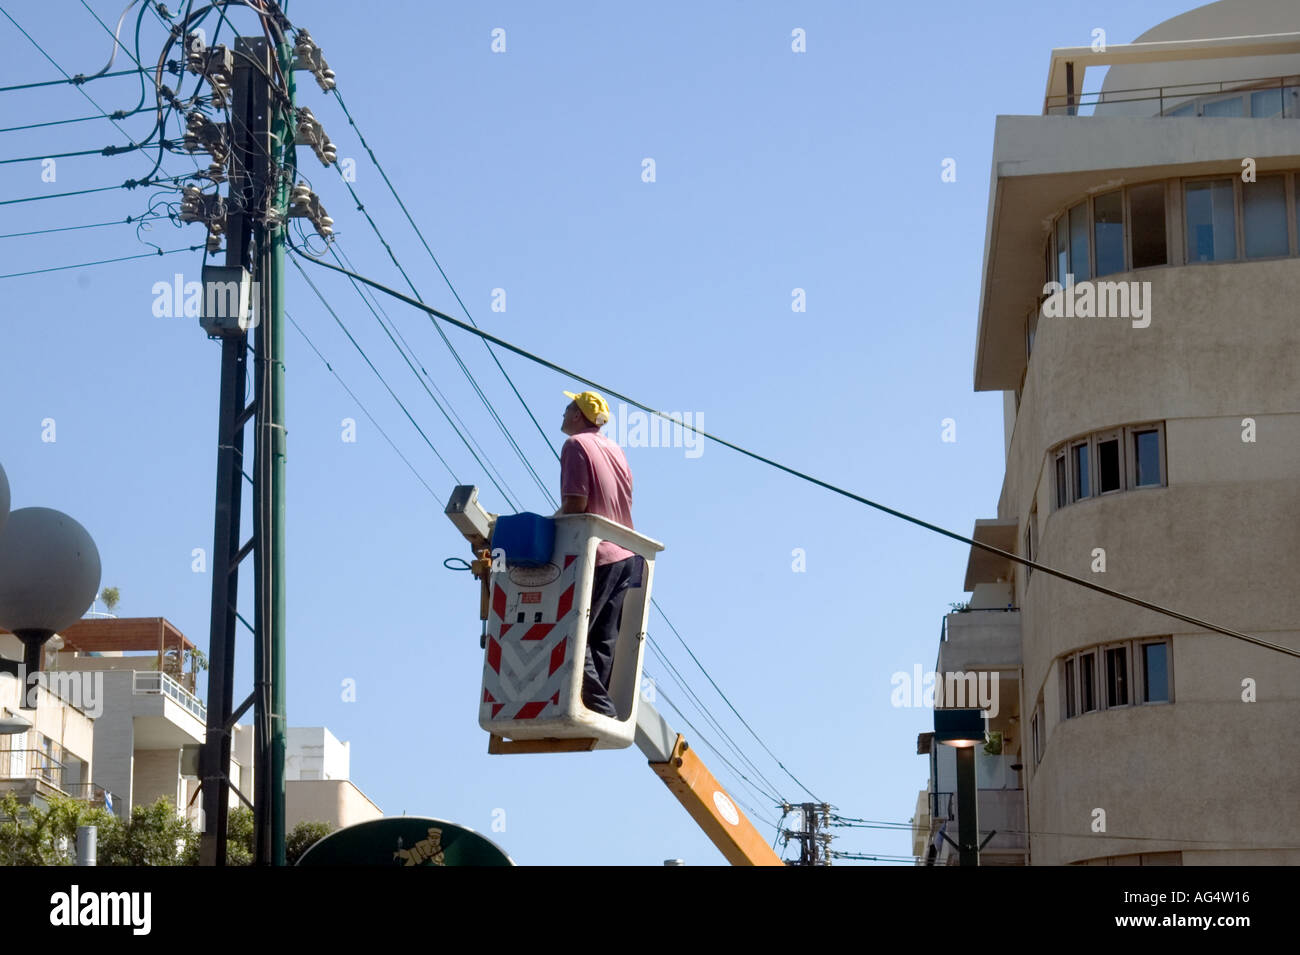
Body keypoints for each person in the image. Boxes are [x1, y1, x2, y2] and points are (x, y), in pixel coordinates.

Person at [557, 389, 641, 718]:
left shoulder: (576, 446)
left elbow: (575, 504)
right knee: (602, 641)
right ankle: (595, 708)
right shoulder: (616, 449)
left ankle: (600, 708)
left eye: (567, 408)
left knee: (570, 630)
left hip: (598, 553)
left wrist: (546, 526)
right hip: (625, 555)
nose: (562, 414)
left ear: (579, 415)